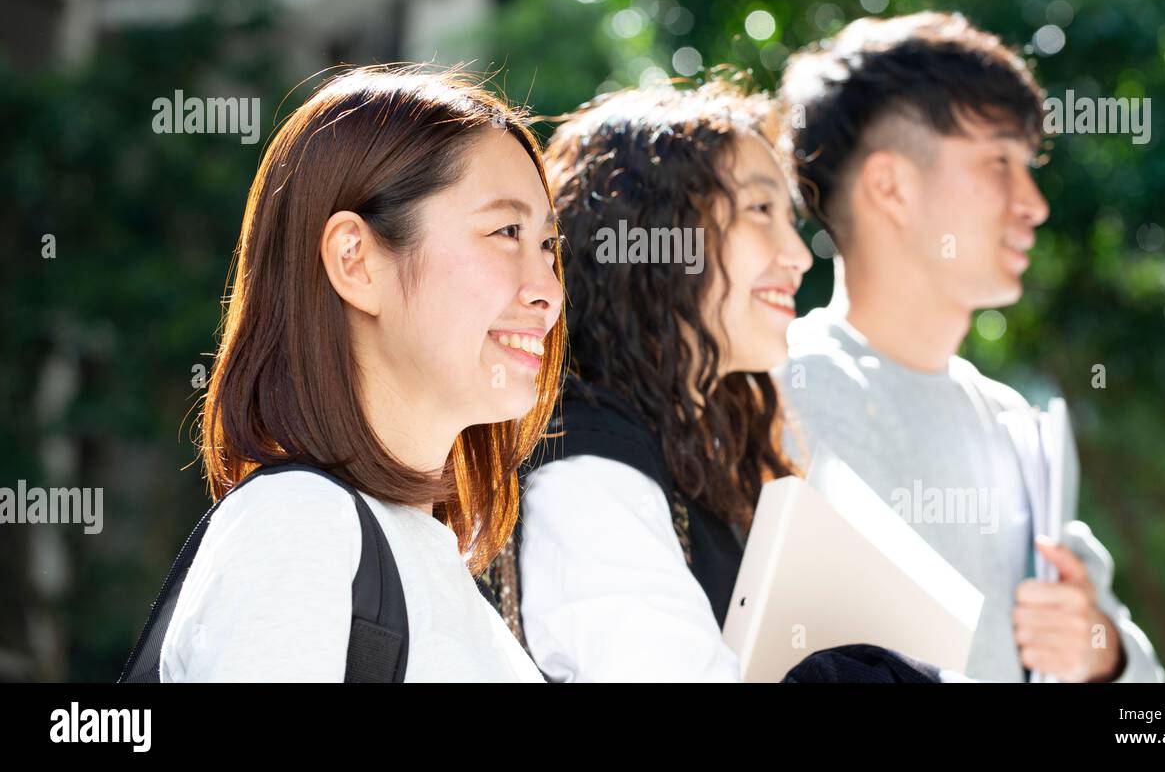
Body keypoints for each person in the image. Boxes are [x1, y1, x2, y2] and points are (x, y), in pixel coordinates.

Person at [776, 12, 1165, 682]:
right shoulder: (796, 390)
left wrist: (1102, 652)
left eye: (1027, 164)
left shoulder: (1016, 420)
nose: (1034, 203)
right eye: (998, 161)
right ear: (891, 185)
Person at [160, 66, 564, 681]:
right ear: (357, 261)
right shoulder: (298, 524)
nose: (548, 292)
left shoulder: (426, 563)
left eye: (548, 247)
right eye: (506, 231)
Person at [517, 80, 865, 680]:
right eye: (761, 211)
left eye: (792, 219)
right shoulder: (586, 461)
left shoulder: (709, 451)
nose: (799, 255)